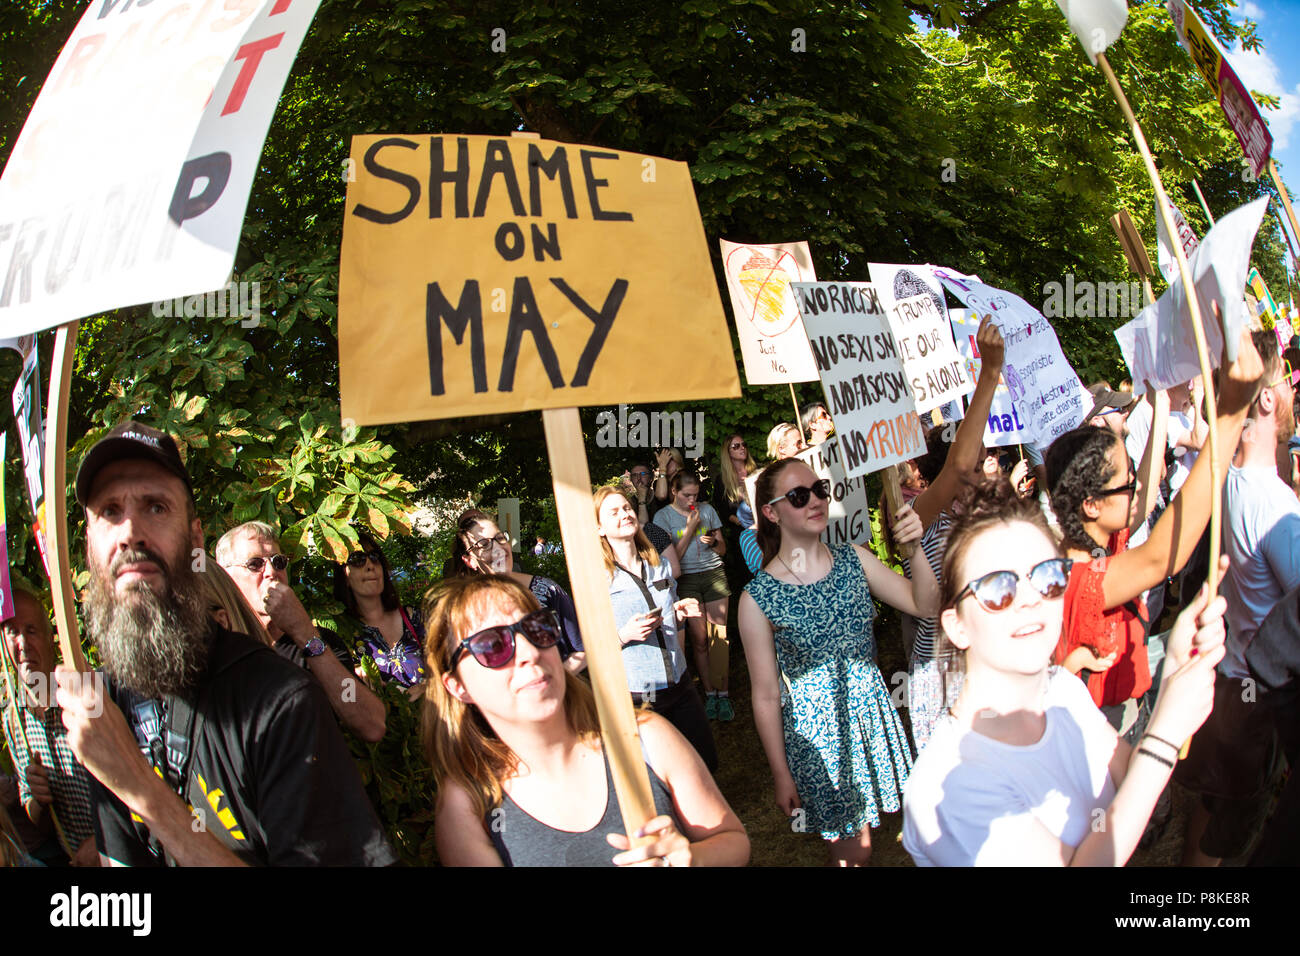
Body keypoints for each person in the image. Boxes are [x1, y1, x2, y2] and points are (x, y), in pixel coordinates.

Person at [56, 421, 395, 866]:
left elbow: (371, 723)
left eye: (156, 507)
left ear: (195, 539)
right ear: (87, 544)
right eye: (109, 511)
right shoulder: (105, 704)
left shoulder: (282, 701)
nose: (130, 532)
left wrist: (143, 790)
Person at [902, 481, 1229, 866]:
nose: (1030, 599)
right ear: (956, 626)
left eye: (1047, 576)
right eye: (996, 587)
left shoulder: (1062, 689)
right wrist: (1164, 736)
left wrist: (1175, 667)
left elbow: (1131, 774)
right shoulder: (945, 783)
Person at [424, 574, 750, 866]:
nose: (529, 651)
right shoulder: (469, 803)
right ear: (458, 686)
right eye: (492, 645)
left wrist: (689, 859)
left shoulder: (645, 738)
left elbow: (733, 842)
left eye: (537, 628)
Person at [1045, 328, 1261, 744]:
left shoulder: (1100, 543)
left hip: (1128, 707)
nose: (1137, 489)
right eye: (1126, 486)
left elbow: (1143, 499)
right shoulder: (1080, 578)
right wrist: (1232, 416)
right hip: (1104, 727)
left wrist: (1160, 403)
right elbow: (1164, 556)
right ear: (1091, 505)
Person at [739, 458, 939, 865]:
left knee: (870, 844)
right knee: (854, 855)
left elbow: (926, 604)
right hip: (821, 741)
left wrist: (915, 550)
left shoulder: (853, 559)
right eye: (799, 496)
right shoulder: (756, 598)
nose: (815, 501)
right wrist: (781, 771)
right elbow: (764, 695)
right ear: (771, 512)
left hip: (871, 718)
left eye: (819, 491)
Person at [1175, 330, 1299, 866]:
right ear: (1267, 399)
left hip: (1225, 679)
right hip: (1255, 694)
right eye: (1289, 383)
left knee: (1211, 804)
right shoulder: (1276, 506)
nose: (1295, 392)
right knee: (1231, 825)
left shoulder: (1224, 477)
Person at [893, 315, 1005, 750]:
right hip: (942, 672)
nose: (981, 473)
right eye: (976, 466)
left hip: (987, 662)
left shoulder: (984, 512)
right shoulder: (921, 514)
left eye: (984, 465)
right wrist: (989, 373)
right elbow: (959, 468)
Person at [219, 522, 387, 741]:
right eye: (254, 564)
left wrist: (305, 634)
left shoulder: (321, 641)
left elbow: (372, 724)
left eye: (278, 562)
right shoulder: (220, 650)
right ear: (225, 578)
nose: (271, 572)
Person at [594, 487, 716, 770]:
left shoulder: (658, 564)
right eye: (614, 512)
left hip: (681, 684)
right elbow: (590, 645)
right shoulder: (597, 578)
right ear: (599, 528)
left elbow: (669, 608)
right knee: (659, 776)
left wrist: (679, 611)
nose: (624, 514)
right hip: (640, 696)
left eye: (626, 508)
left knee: (703, 764)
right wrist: (623, 636)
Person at [1, 587, 98, 866]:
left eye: (31, 631)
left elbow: (137, 772)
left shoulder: (86, 694)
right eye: (12, 632)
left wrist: (104, 838)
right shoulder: (14, 721)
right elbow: (39, 822)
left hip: (127, 847)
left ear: (50, 639)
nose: (22, 643)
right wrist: (38, 802)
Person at [449, 509, 586, 674]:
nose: (497, 548)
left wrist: (554, 677)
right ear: (470, 560)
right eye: (484, 544)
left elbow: (583, 649)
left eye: (500, 538)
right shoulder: (467, 611)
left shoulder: (547, 590)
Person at [653, 473, 731, 719]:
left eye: (696, 495)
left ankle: (724, 694)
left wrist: (712, 543)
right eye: (687, 495)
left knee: (719, 636)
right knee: (699, 639)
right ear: (674, 492)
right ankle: (709, 694)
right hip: (685, 579)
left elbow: (723, 549)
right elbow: (668, 561)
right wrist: (689, 531)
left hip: (713, 573)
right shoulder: (662, 517)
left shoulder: (707, 510)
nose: (692, 500)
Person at [332, 527, 430, 693]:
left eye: (374, 557)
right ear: (344, 576)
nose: (370, 565)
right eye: (357, 559)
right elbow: (343, 699)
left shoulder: (414, 617)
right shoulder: (341, 635)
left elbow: (449, 668)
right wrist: (350, 680)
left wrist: (425, 687)